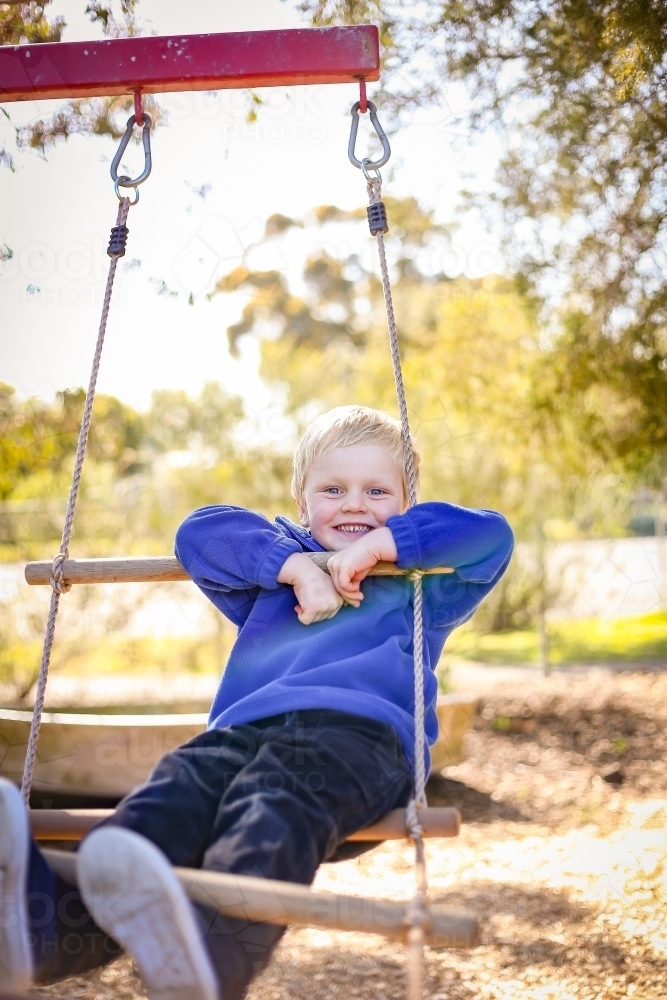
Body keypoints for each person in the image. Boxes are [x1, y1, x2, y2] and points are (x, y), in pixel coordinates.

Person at [0, 405, 513, 1000]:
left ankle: (212, 960)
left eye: (377, 491)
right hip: (237, 735)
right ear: (302, 503)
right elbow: (199, 532)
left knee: (273, 800)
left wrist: (385, 547)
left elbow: (492, 536)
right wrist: (295, 567)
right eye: (333, 489)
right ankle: (45, 934)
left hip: (358, 742)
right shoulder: (273, 578)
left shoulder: (424, 586)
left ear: (407, 502)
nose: (353, 504)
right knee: (165, 802)